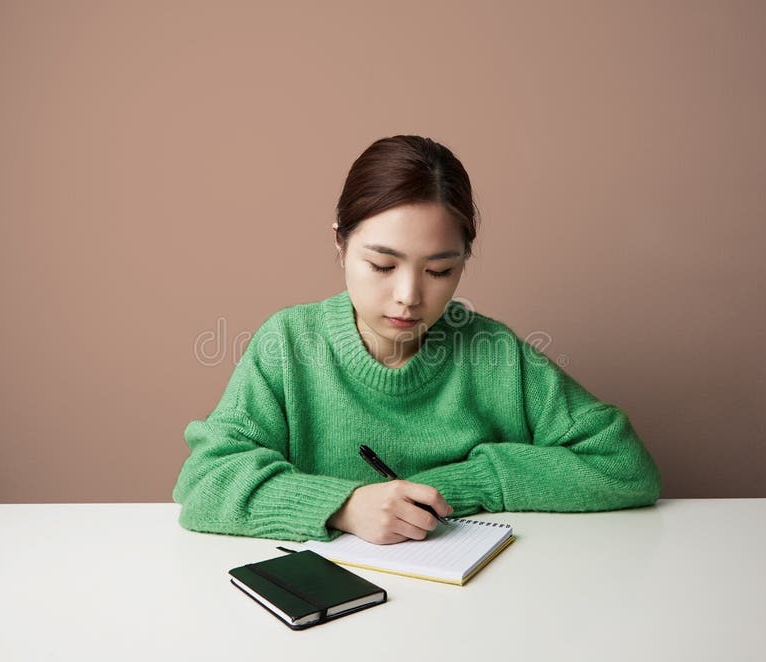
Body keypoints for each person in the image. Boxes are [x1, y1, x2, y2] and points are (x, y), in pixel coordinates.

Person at [173, 135, 661, 544]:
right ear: (340, 243)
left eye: (440, 270)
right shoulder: (287, 345)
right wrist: (343, 506)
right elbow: (203, 484)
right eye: (382, 266)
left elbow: (624, 467)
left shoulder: (494, 355)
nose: (408, 297)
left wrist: (464, 483)